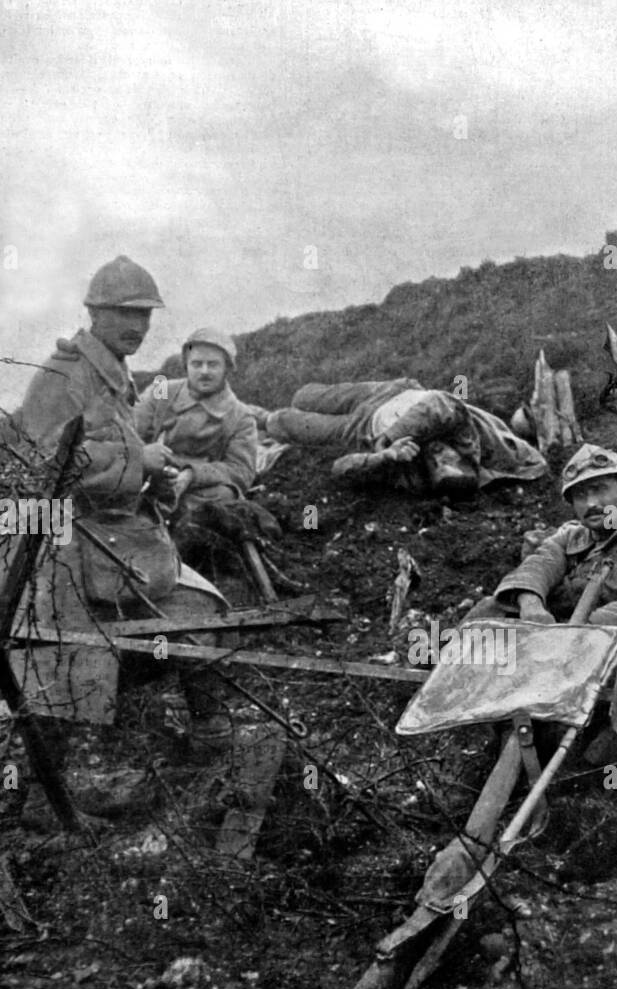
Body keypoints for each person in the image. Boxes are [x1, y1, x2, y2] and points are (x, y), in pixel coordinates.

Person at [11, 257, 235, 829]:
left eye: (144, 314)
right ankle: (48, 796)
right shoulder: (65, 376)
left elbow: (100, 455)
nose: (137, 325)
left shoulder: (111, 370)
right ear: (93, 313)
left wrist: (151, 474)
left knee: (199, 607)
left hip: (117, 542)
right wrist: (141, 459)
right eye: (124, 313)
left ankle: (210, 740)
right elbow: (37, 467)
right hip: (60, 548)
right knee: (63, 661)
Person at [463, 443, 617, 762]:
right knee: (489, 613)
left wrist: (568, 640)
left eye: (600, 489)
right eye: (579, 496)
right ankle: (492, 707)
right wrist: (531, 604)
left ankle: (616, 736)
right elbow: (537, 565)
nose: (590, 504)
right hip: (558, 646)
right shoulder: (570, 538)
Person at [250, 378, 547, 497]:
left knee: (281, 422)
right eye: (448, 459)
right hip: (391, 392)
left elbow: (341, 469)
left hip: (359, 428)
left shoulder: (410, 473)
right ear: (465, 460)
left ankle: (244, 414)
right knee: (305, 394)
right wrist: (392, 436)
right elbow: (439, 403)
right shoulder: (467, 437)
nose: (437, 455)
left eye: (435, 464)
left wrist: (382, 456)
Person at [133, 327, 258, 560]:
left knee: (223, 497)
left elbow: (241, 471)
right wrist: (146, 458)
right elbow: (131, 430)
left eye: (213, 365)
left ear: (227, 369)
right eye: (196, 364)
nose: (204, 372)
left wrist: (191, 475)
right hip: (151, 475)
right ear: (186, 365)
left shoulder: (241, 417)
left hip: (198, 491)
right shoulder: (163, 391)